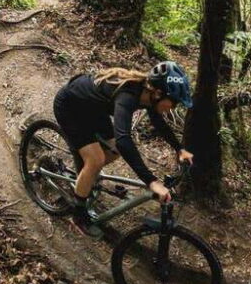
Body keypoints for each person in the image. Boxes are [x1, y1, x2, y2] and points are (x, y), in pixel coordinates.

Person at [53, 61, 194, 238]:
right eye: (173, 103)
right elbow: (124, 140)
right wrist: (151, 181)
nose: (172, 109)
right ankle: (78, 216)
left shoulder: (148, 95)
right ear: (158, 93)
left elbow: (158, 123)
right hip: (70, 107)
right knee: (95, 160)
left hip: (93, 109)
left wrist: (179, 149)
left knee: (112, 152)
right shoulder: (128, 96)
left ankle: (84, 176)